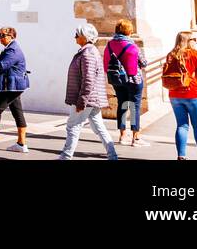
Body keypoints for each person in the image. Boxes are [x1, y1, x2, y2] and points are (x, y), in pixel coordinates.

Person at [58, 23, 118, 160]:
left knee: (73, 126)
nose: (75, 37)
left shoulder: (88, 53)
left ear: (85, 37)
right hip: (93, 99)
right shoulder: (88, 51)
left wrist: (82, 101)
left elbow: (89, 79)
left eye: (77, 35)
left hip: (87, 99)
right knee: (99, 127)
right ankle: (112, 155)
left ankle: (66, 156)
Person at [162, 30, 197, 160]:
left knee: (181, 125)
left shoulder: (171, 55)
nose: (195, 40)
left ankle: (181, 156)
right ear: (188, 40)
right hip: (192, 93)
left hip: (174, 94)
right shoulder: (194, 54)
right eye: (193, 38)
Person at [104, 19, 146, 147]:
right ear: (128, 31)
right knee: (134, 107)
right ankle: (135, 137)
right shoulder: (132, 46)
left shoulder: (109, 45)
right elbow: (143, 62)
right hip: (133, 80)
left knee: (122, 105)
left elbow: (105, 63)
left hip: (117, 79)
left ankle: (122, 135)